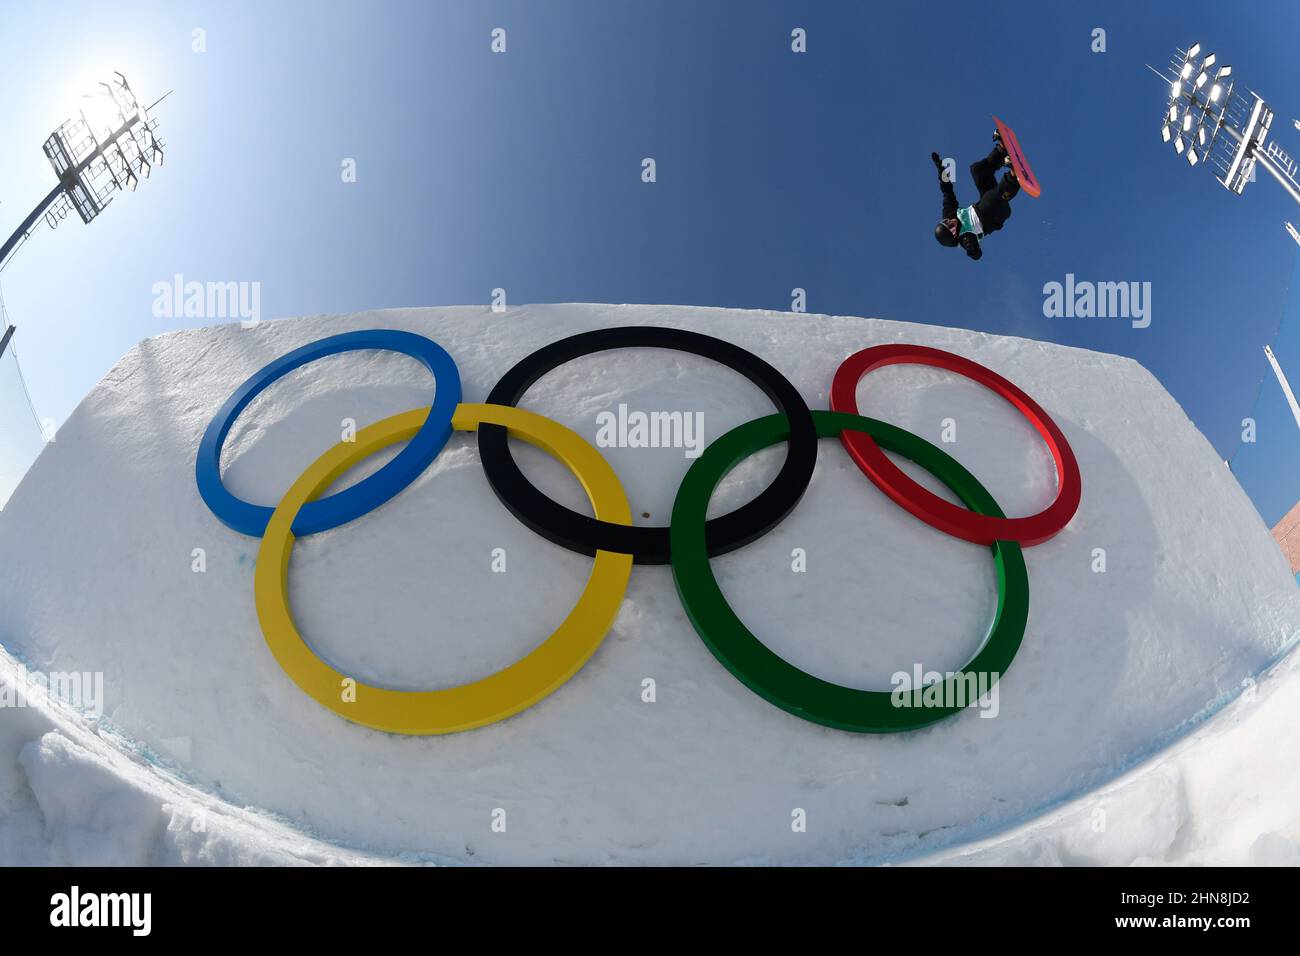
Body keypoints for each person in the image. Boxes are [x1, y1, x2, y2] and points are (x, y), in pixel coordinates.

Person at [932, 131, 1020, 261]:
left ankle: (1002, 150)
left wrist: (941, 171)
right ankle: (1013, 175)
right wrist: (972, 248)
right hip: (994, 215)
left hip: (984, 202)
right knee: (989, 200)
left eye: (946, 221)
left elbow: (947, 191)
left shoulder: (950, 214)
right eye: (950, 226)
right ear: (954, 235)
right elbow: (976, 255)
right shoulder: (964, 238)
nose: (950, 221)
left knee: (978, 171)